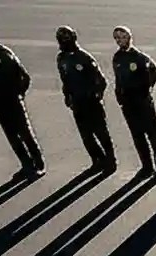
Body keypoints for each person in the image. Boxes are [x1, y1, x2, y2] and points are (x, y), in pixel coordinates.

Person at [0, 21, 44, 178]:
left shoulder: (2, 52)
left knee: (24, 132)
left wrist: (18, 94)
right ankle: (26, 165)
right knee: (11, 134)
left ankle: (38, 164)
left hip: (11, 99)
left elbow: (24, 76)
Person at [56, 25, 115, 172]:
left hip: (91, 102)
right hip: (77, 102)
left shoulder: (84, 57)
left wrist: (95, 96)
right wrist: (67, 96)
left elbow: (101, 81)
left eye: (67, 38)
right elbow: (65, 80)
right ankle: (97, 160)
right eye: (61, 39)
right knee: (86, 135)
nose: (64, 42)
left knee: (101, 133)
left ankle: (110, 160)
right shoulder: (61, 58)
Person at [111, 26, 156, 174]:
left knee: (153, 134)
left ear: (129, 38)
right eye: (117, 38)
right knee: (137, 135)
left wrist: (145, 88)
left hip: (143, 102)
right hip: (128, 103)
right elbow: (118, 78)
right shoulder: (117, 57)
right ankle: (147, 166)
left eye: (122, 37)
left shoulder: (140, 57)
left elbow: (154, 73)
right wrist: (119, 96)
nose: (119, 40)